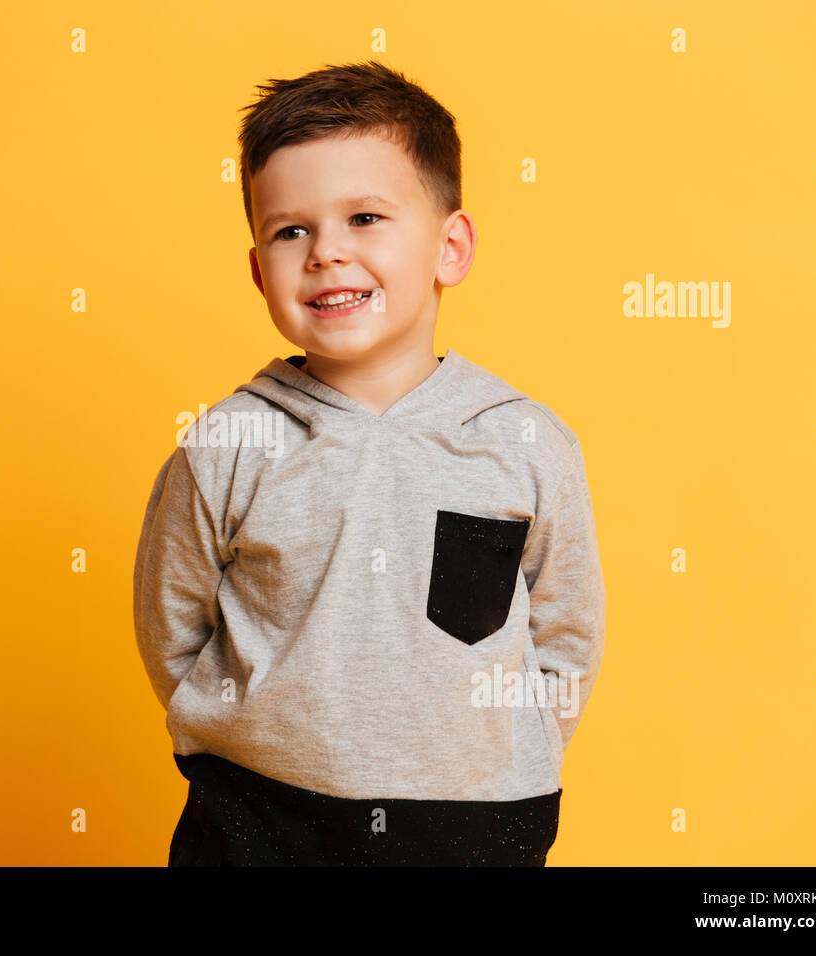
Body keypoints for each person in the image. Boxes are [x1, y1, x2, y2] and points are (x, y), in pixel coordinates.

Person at [133, 60, 606, 866]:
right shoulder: (225, 446)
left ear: (449, 248)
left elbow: (566, 632)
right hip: (259, 818)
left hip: (477, 825)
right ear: (259, 270)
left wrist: (504, 750)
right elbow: (172, 628)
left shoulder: (523, 443)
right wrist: (247, 734)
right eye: (291, 230)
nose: (326, 254)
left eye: (364, 218)